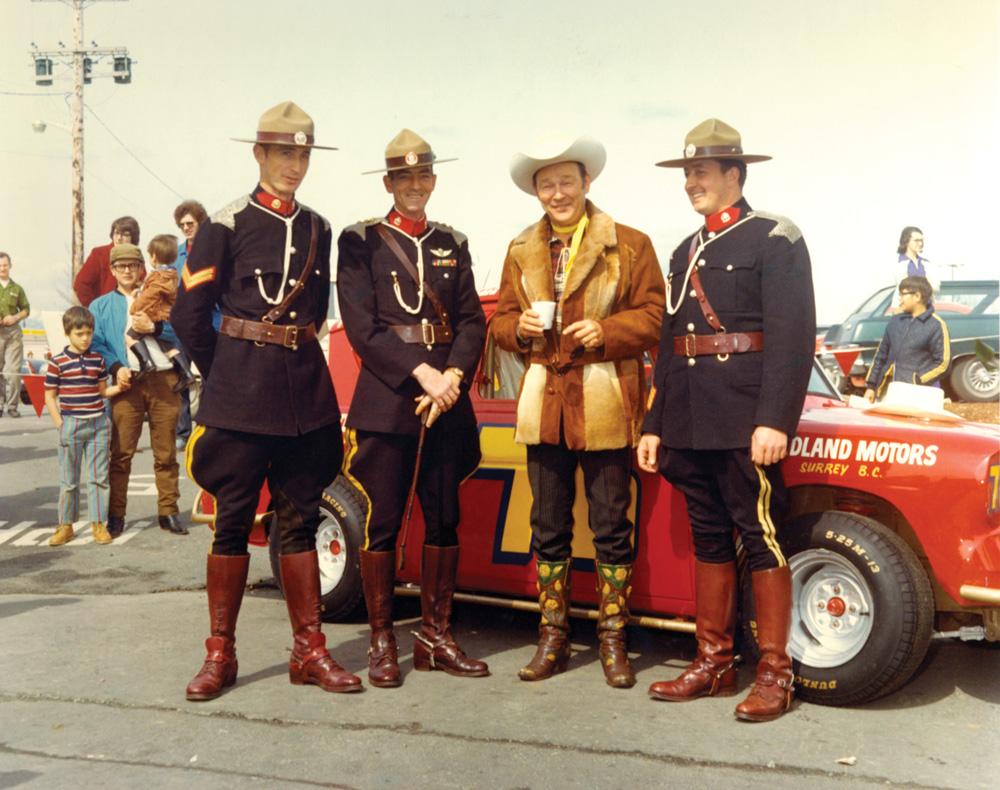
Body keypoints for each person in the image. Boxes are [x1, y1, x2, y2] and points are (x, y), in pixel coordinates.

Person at [172, 100, 362, 700]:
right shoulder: (224, 224)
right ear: (259, 154)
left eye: (302, 153)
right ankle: (220, 655)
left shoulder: (318, 228)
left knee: (300, 518)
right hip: (239, 393)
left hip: (303, 394)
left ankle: (310, 650)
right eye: (283, 152)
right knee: (231, 523)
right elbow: (189, 314)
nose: (294, 164)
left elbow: (315, 313)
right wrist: (226, 373)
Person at [638, 119, 815, 722]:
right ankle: (713, 662)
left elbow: (793, 338)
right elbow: (669, 343)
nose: (692, 183)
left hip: (745, 418)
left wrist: (775, 420)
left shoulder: (775, 238)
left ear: (735, 176)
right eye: (687, 173)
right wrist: (655, 422)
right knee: (709, 536)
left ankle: (774, 672)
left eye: (703, 172)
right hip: (690, 416)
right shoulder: (685, 251)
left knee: (761, 535)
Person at [491, 137, 665, 688]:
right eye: (547, 184)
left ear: (587, 183)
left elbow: (657, 316)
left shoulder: (630, 244)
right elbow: (499, 322)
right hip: (544, 403)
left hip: (606, 400)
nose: (558, 192)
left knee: (613, 526)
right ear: (536, 192)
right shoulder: (521, 248)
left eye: (567, 181)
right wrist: (517, 330)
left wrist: (608, 332)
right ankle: (553, 638)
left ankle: (614, 639)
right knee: (547, 526)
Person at [337, 128, 488, 688]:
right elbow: (362, 325)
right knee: (382, 522)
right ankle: (382, 641)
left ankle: (435, 637)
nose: (415, 186)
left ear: (433, 179)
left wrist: (451, 377)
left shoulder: (454, 241)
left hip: (444, 402)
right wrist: (421, 371)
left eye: (423, 176)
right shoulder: (361, 241)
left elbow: (472, 319)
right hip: (390, 400)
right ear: (388, 183)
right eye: (404, 178)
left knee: (445, 518)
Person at [89, 243, 188, 539]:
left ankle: (168, 511)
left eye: (134, 265)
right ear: (113, 270)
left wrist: (154, 328)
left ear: (142, 266)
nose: (128, 271)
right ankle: (116, 515)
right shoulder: (100, 306)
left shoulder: (160, 293)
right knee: (120, 453)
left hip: (162, 379)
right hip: (126, 382)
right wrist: (115, 365)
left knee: (166, 452)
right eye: (122, 266)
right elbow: (96, 343)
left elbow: (182, 328)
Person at [44, 306, 121, 547]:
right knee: (69, 480)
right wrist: (60, 423)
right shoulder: (57, 362)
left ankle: (98, 524)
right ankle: (66, 525)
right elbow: (49, 396)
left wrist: (120, 388)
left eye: (88, 333)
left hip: (98, 423)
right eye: (79, 334)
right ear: (68, 333)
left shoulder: (97, 360)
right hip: (71, 425)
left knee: (99, 478)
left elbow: (103, 392)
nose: (85, 338)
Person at [126, 234, 197, 390]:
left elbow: (151, 295)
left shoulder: (159, 276)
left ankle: (146, 363)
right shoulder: (171, 274)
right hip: (165, 315)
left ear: (154, 257)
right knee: (168, 346)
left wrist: (136, 306)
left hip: (155, 314)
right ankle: (186, 372)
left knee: (130, 336)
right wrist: (140, 291)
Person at [864, 276, 949, 400]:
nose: (900, 299)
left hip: (914, 395)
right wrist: (871, 387)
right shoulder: (895, 321)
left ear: (917, 296)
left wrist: (918, 379)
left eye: (903, 294)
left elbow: (943, 363)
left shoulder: (936, 325)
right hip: (885, 393)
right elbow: (881, 355)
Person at [172, 200, 211, 450]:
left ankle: (208, 430)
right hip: (183, 326)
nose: (186, 228)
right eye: (182, 224)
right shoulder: (176, 254)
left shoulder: (212, 249)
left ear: (200, 223)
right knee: (182, 378)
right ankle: (183, 432)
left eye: (191, 223)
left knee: (212, 378)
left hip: (210, 323)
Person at [73, 217, 141, 306]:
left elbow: (141, 286)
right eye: (116, 233)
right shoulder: (99, 254)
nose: (119, 238)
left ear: (133, 238)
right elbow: (81, 284)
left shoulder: (138, 258)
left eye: (125, 234)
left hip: (130, 310)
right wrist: (95, 308)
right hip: (103, 312)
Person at [0, 252, 30, 418]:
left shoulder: (17, 289)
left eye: (5, 265)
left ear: (10, 266)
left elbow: (26, 309)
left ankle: (12, 406)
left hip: (12, 333)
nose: (2, 268)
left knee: (12, 371)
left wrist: (15, 317)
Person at [894, 226, 939, 291]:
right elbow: (904, 287)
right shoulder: (899, 263)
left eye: (921, 240)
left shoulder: (926, 263)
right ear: (906, 241)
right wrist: (924, 286)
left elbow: (935, 287)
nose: (920, 243)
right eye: (916, 240)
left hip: (926, 301)